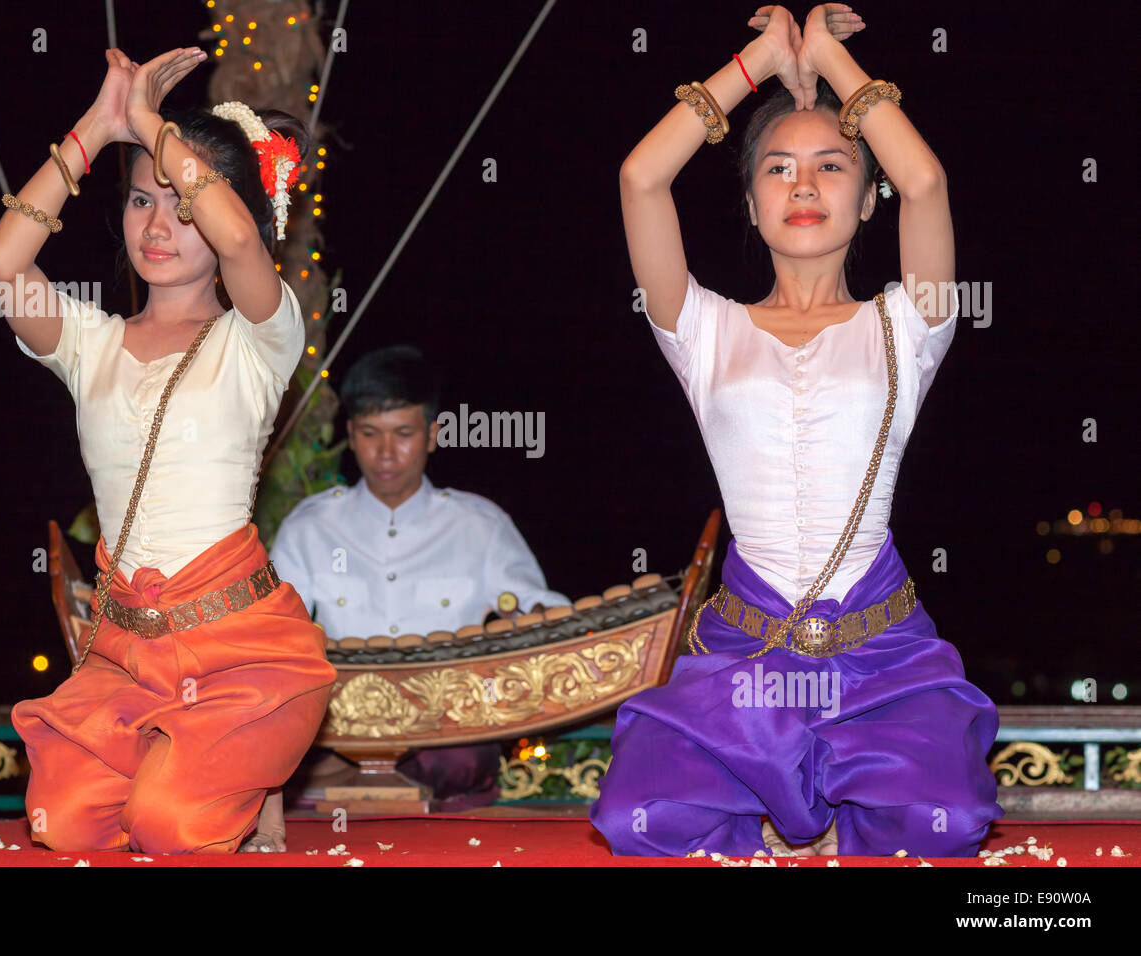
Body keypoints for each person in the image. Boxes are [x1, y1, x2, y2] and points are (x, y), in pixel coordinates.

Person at [589, 4, 1003, 858]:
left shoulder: (907, 324)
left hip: (880, 655)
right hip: (747, 653)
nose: (804, 187)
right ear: (749, 203)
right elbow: (639, 179)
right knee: (642, 813)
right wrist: (758, 62)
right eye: (777, 169)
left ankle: (828, 807)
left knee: (947, 819)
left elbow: (926, 182)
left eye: (831, 166)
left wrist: (829, 62)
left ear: (866, 195)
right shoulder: (703, 330)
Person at [0, 46, 335, 854]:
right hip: (125, 650)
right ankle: (192, 762)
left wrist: (150, 121)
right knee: (64, 828)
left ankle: (244, 766)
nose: (157, 224)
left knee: (169, 829)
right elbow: (3, 262)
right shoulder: (89, 342)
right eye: (143, 200)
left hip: (238, 647)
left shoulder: (259, 336)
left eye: (183, 205)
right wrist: (97, 131)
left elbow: (244, 242)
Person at [271, 345, 569, 811]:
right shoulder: (310, 527)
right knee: (280, 741)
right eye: (370, 433)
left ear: (432, 435)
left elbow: (537, 607)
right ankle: (350, 773)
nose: (385, 453)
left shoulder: (479, 526)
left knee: (464, 756)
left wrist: (537, 617)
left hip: (444, 741)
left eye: (403, 434)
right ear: (350, 434)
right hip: (334, 727)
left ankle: (345, 780)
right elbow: (273, 633)